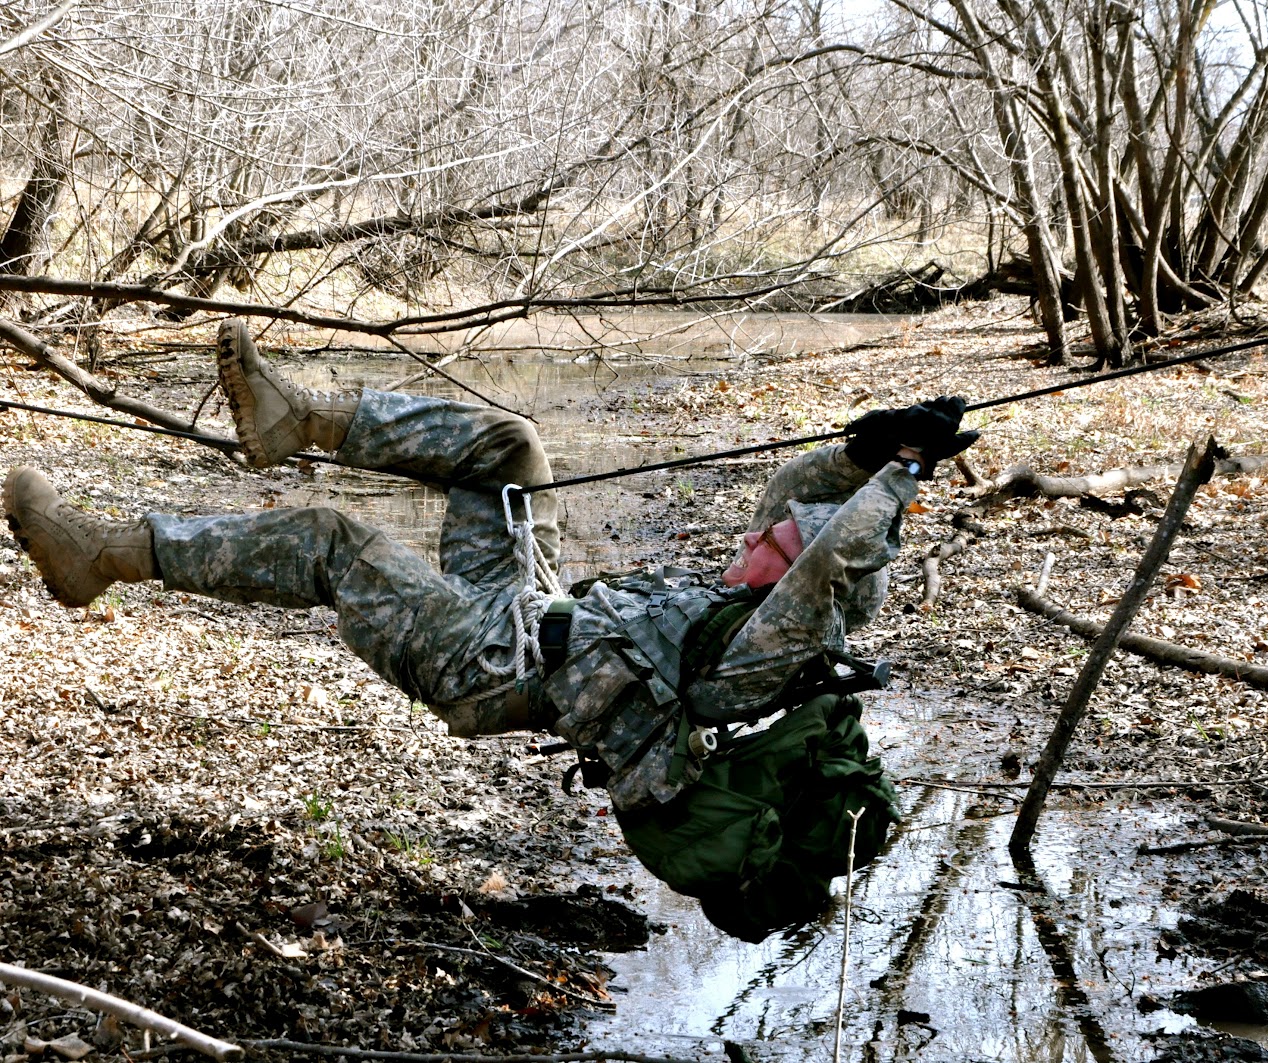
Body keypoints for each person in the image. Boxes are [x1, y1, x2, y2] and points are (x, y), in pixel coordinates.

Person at [5, 321, 978, 931]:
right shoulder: (753, 614)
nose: (758, 534)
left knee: (334, 544)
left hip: (487, 662)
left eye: (777, 544)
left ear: (792, 575)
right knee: (510, 449)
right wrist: (863, 451)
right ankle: (294, 418)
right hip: (524, 609)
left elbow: (831, 560)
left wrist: (902, 474)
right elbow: (800, 505)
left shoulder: (767, 654)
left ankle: (100, 556)